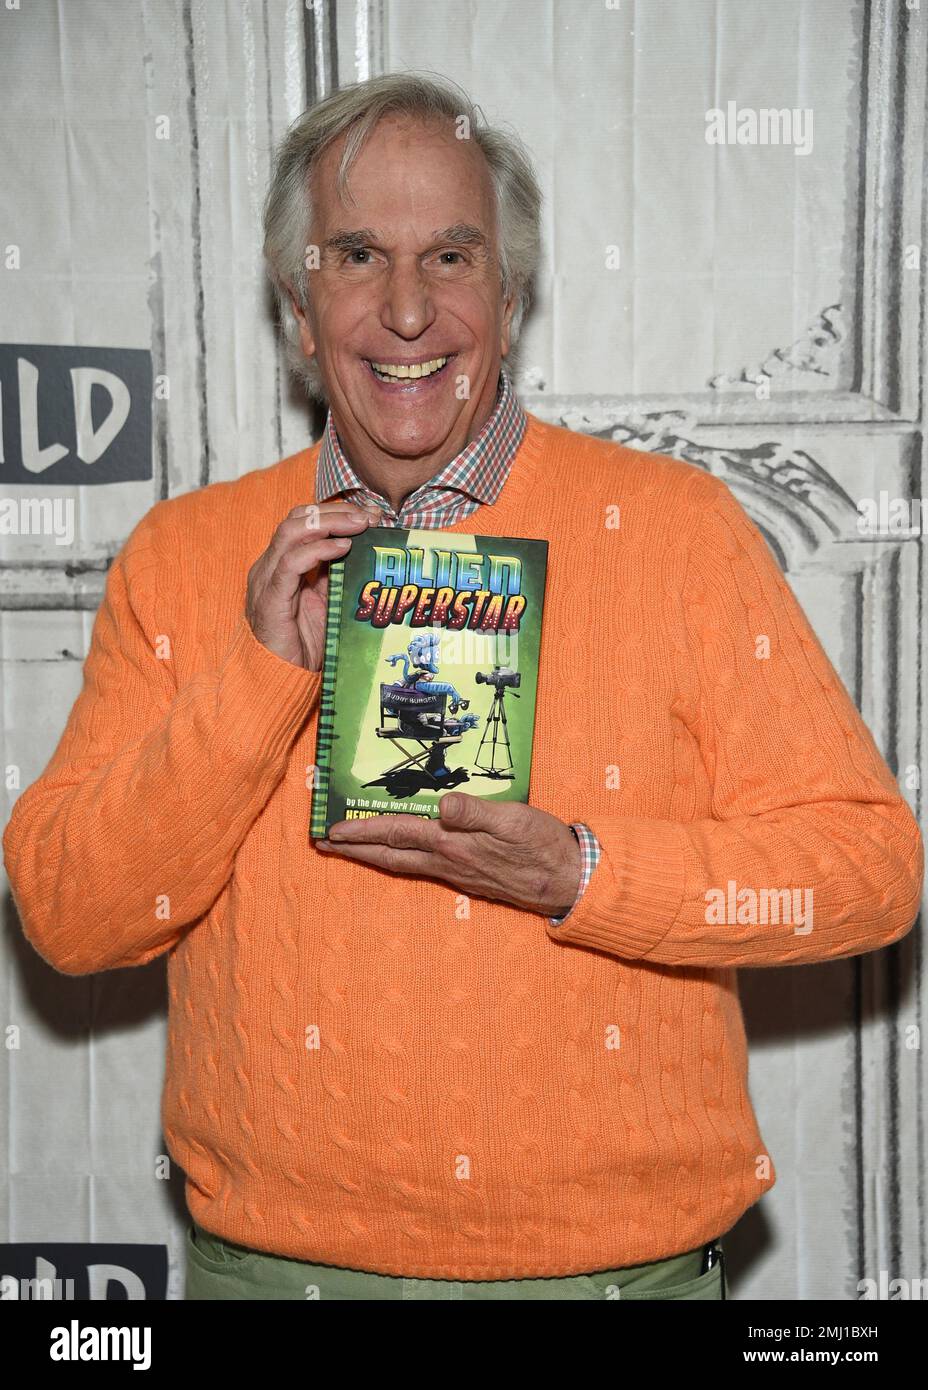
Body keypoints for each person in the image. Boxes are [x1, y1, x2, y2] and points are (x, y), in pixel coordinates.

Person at [4, 72, 922, 1302]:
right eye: (355, 256)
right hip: (278, 1279)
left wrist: (583, 874)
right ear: (295, 296)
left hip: (613, 1279)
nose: (405, 309)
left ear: (510, 287)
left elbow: (865, 874)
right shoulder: (182, 554)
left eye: (450, 254)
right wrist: (261, 676)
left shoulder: (677, 532)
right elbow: (72, 916)